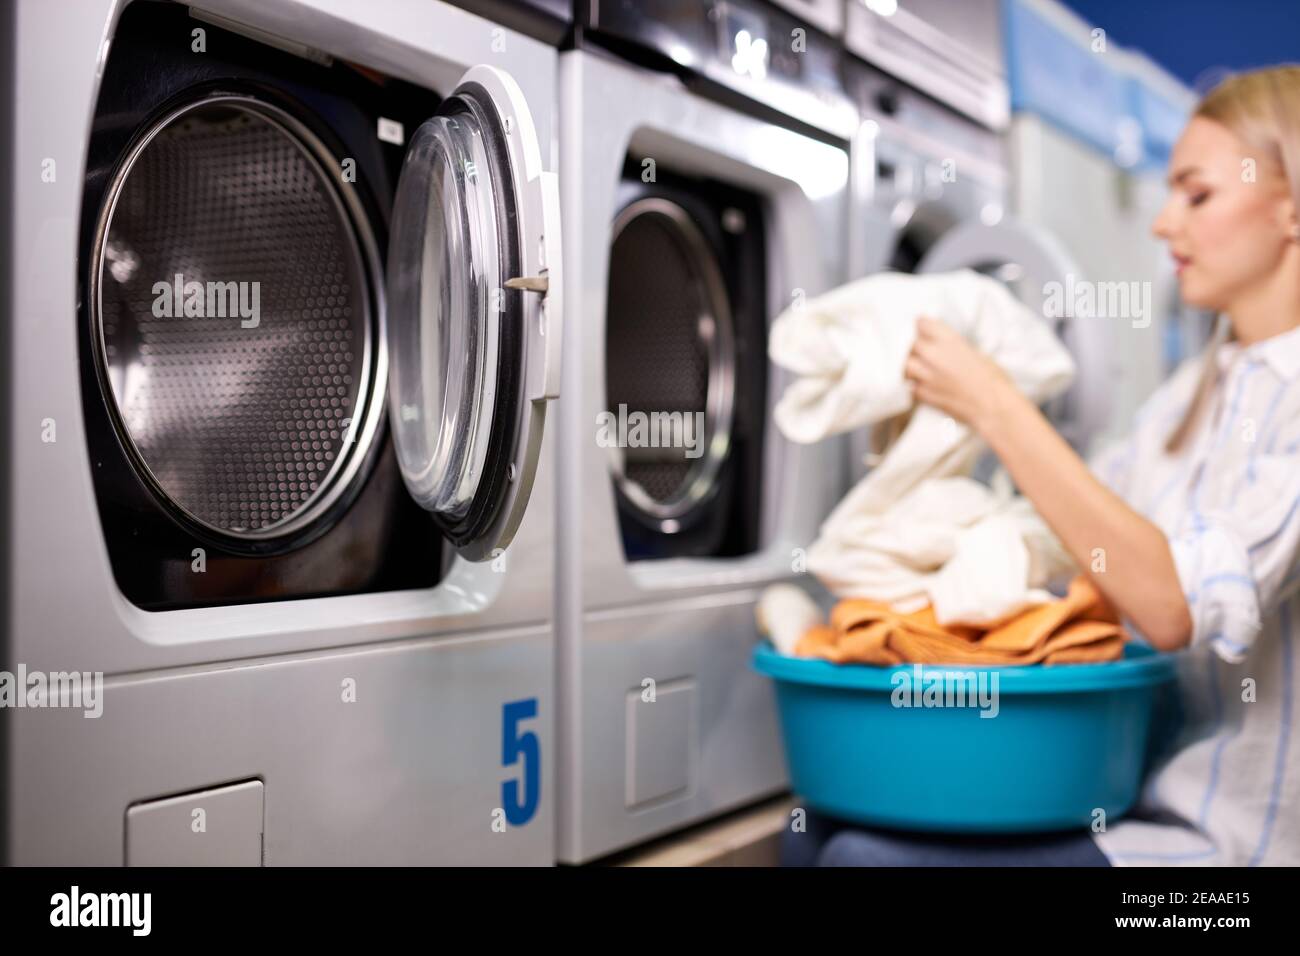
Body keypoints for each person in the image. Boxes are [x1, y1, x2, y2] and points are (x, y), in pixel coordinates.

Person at [810, 65, 1300, 867]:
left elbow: (1172, 605)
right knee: (824, 836)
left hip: (1224, 869)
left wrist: (994, 404)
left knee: (861, 863)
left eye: (1196, 194)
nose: (1163, 222)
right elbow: (1076, 538)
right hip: (1122, 806)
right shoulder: (1187, 400)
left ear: (1291, 208)